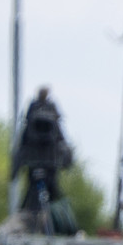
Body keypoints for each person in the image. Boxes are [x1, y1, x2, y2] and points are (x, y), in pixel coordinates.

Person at [10, 86, 75, 231]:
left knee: (33, 193)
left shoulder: (32, 111)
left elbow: (23, 142)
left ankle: (31, 216)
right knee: (54, 194)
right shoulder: (52, 112)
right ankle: (60, 225)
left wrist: (16, 169)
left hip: (34, 161)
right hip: (50, 161)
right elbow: (61, 139)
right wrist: (66, 161)